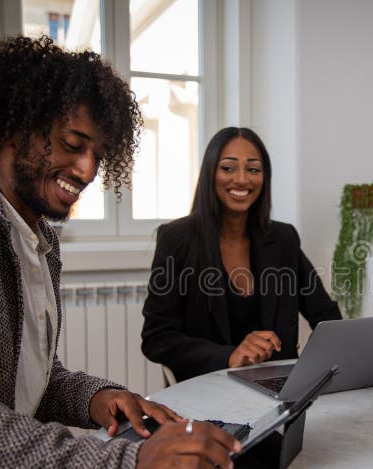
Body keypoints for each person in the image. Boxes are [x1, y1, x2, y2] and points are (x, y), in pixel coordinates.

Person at [0, 36, 240, 469]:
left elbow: (24, 381)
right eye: (73, 145)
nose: (87, 171)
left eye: (98, 155)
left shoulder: (41, 242)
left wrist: (95, 398)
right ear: (15, 126)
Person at [142, 127, 342, 381]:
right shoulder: (177, 239)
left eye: (253, 169)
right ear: (210, 173)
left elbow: (326, 317)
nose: (241, 179)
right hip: (208, 388)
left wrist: (316, 367)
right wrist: (229, 355)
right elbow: (157, 337)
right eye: (228, 168)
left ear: (264, 177)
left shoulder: (283, 239)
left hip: (277, 388)